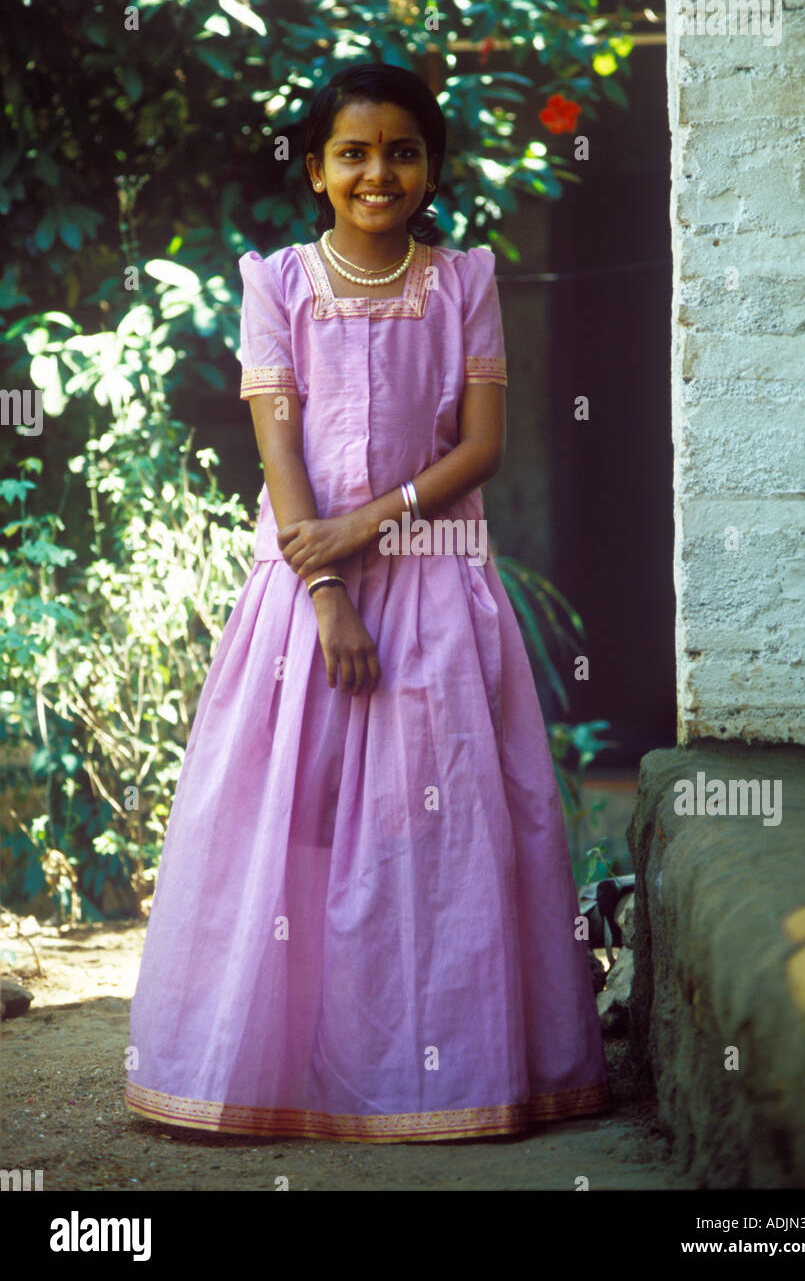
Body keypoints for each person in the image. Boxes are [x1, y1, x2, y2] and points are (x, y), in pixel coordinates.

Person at [125, 62, 612, 1142]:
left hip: (435, 578)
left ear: (429, 167)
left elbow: (477, 447)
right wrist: (331, 583)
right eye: (351, 152)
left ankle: (437, 1070)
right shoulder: (280, 284)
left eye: (400, 150)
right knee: (288, 828)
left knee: (427, 829)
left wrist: (372, 521)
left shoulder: (461, 281)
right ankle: (285, 1064)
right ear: (315, 170)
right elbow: (280, 449)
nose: (376, 171)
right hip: (306, 595)